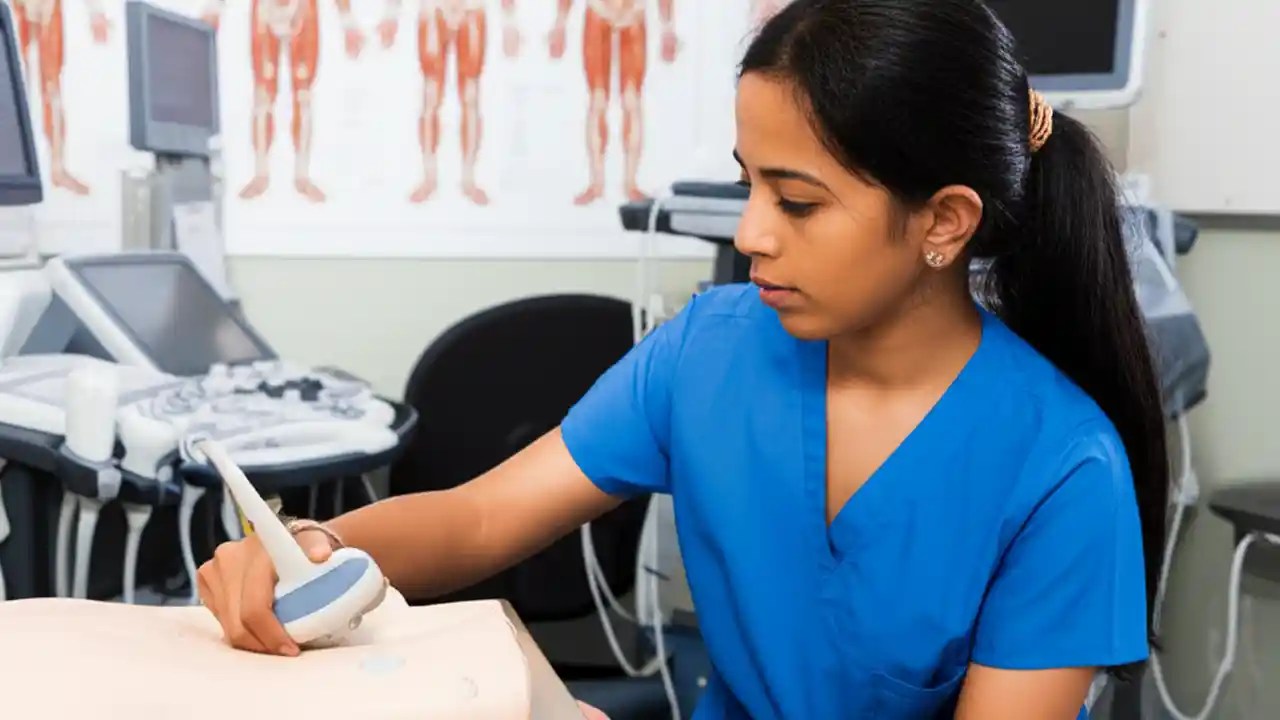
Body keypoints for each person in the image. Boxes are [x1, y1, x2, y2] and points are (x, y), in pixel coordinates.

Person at [196, 1, 1168, 718]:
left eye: (795, 201)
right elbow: (479, 515)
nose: (751, 234)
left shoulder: (1059, 471)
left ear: (941, 223)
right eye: (749, 185)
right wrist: (315, 551)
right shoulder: (712, 349)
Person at [202, 0, 366, 203]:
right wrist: (215, 8)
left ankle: (301, 175)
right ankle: (261, 173)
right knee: (263, 94)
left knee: (303, 93)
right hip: (265, 8)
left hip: (303, 7)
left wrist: (348, 21)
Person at [377, 0, 520, 205]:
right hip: (434, 9)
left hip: (472, 9)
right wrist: (391, 14)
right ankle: (429, 176)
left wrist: (510, 22)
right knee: (431, 96)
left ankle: (468, 178)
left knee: (470, 96)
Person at [547, 0, 677, 205]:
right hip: (599, 11)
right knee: (599, 100)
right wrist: (560, 23)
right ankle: (597, 182)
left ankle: (630, 182)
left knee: (630, 100)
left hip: (633, 14)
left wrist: (668, 27)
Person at [11, 0, 110, 196]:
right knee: (16, 76)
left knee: (50, 85)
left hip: (45, 8)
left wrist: (96, 13)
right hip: (22, 9)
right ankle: (19, 165)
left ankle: (57, 168)